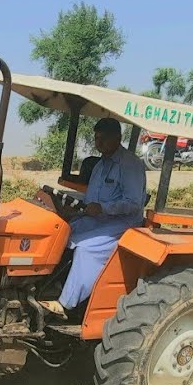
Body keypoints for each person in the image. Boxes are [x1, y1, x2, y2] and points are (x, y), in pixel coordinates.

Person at [42, 117, 147, 318]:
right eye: (96, 138)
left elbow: (133, 203)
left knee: (85, 249)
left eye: (103, 139)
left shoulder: (130, 164)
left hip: (122, 224)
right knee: (61, 233)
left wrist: (103, 208)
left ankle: (65, 304)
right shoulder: (99, 165)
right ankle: (52, 283)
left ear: (118, 137)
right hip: (99, 219)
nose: (98, 144)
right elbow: (91, 198)